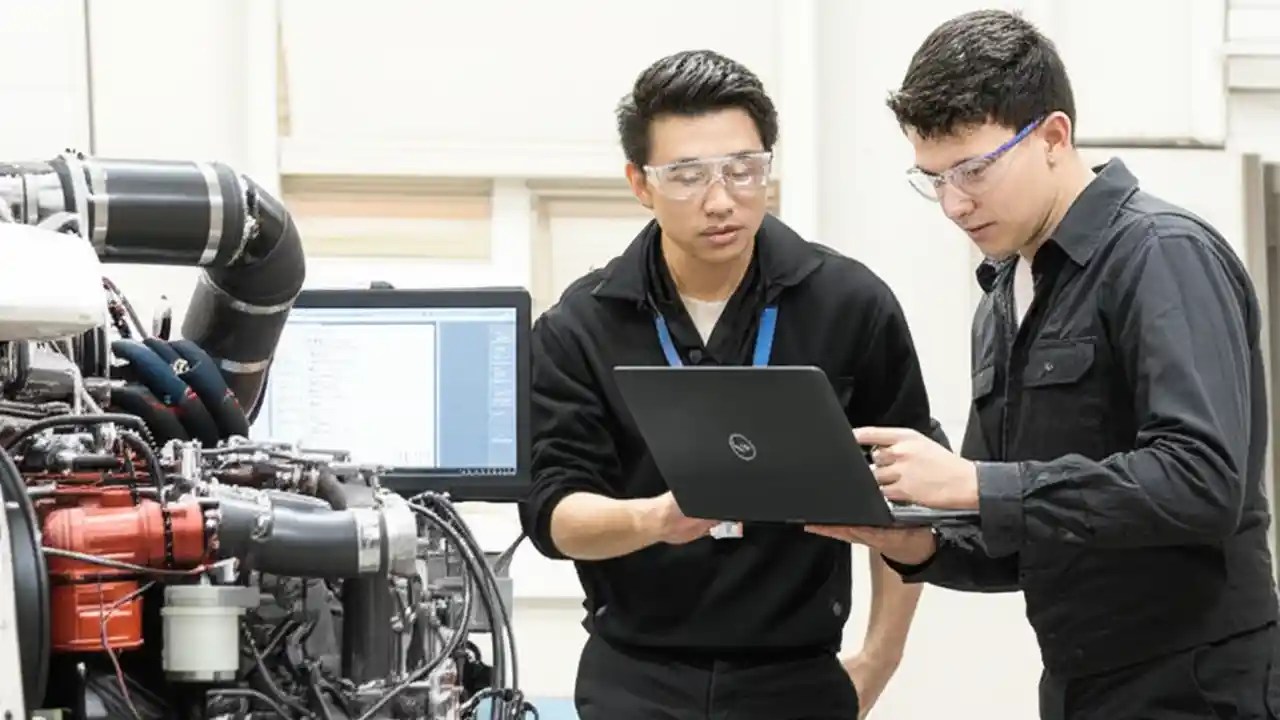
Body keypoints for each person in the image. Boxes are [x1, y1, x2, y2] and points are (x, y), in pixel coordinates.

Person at [806, 9, 1280, 719]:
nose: (954, 204)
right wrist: (908, 538)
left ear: (1054, 136)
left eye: (973, 170)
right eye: (932, 179)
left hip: (1201, 686)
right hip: (1076, 685)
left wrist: (977, 484)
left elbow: (1201, 481)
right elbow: (1010, 544)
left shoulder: (1160, 253)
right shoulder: (1003, 299)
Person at [518, 49, 938, 720]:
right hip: (635, 676)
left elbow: (911, 493)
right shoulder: (582, 325)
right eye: (686, 175)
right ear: (639, 182)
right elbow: (552, 517)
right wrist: (653, 519)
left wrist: (880, 658)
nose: (721, 200)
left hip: (797, 675)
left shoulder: (849, 305)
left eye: (743, 170)